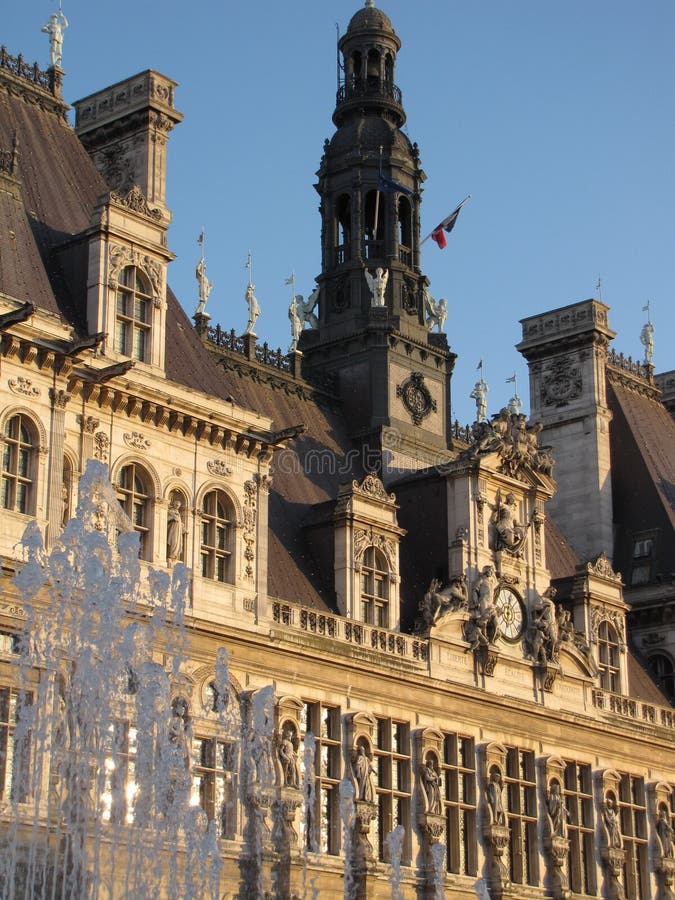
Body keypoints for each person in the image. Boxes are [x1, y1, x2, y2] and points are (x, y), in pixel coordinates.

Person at [166, 499, 184, 563]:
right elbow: (166, 519)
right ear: (174, 505)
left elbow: (180, 522)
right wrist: (173, 518)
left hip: (178, 530)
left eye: (178, 506)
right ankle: (171, 555)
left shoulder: (178, 513)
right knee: (174, 541)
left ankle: (175, 555)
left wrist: (183, 529)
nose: (177, 506)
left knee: (178, 543)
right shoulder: (170, 511)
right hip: (173, 529)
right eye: (176, 505)